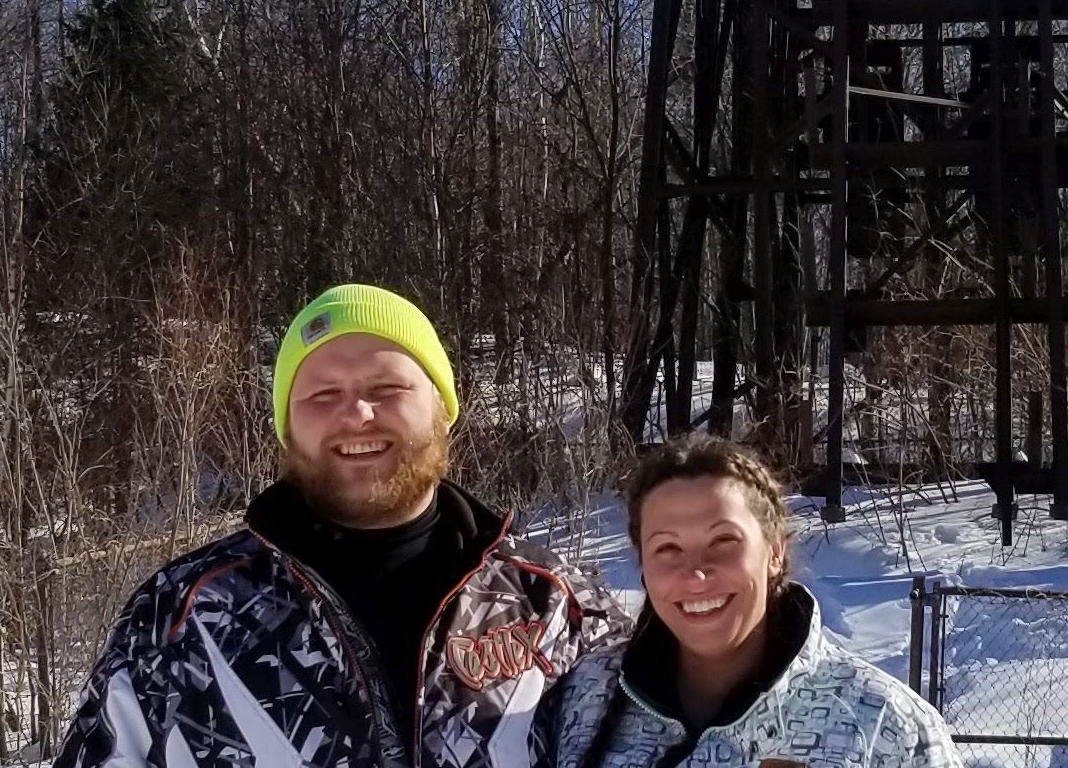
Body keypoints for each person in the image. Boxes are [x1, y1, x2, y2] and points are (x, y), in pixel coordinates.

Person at [56, 283, 622, 768]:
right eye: (323, 394)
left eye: (387, 389)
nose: (356, 415)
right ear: (287, 428)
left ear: (443, 407)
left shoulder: (556, 606)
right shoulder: (183, 615)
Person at [534, 437, 956, 768]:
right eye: (668, 548)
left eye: (724, 541)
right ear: (642, 562)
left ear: (773, 551)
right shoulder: (586, 696)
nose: (696, 573)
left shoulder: (888, 726)